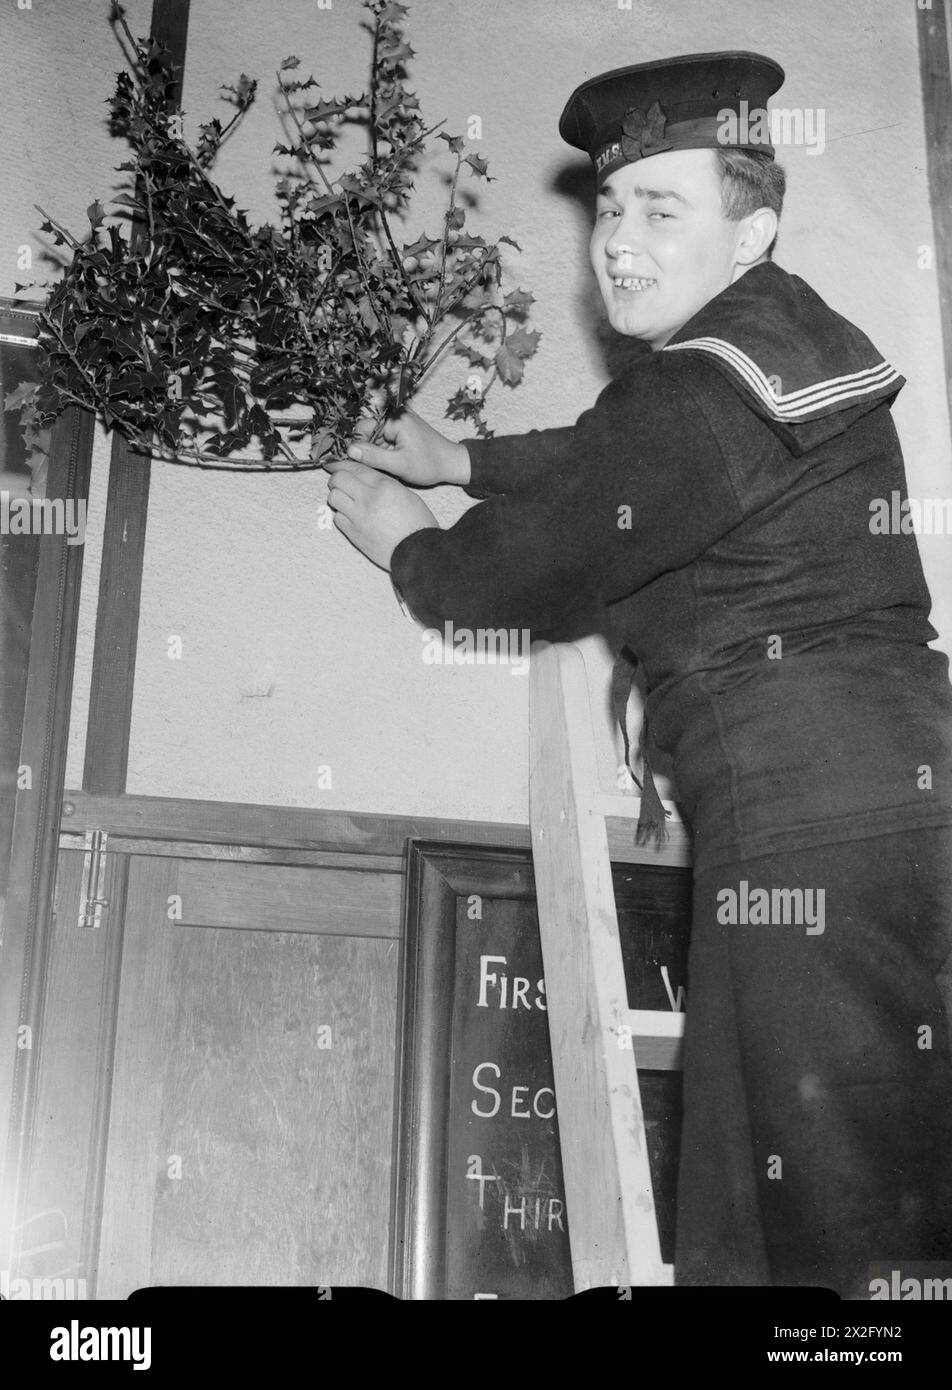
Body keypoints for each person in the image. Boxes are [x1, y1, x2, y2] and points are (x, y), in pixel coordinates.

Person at [324, 52, 952, 1297]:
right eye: (610, 210)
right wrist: (466, 454)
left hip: (804, 832)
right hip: (903, 807)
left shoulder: (697, 388)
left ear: (750, 227)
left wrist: (409, 541)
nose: (617, 240)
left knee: (810, 1229)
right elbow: (618, 455)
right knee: (890, 1207)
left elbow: (537, 571)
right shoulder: (783, 333)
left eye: (661, 211)